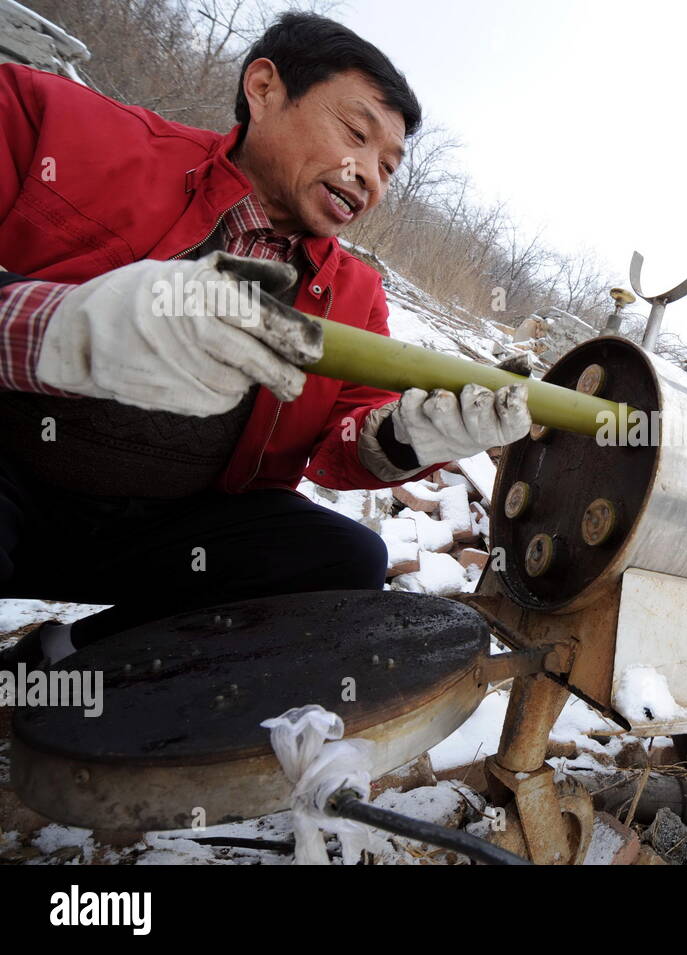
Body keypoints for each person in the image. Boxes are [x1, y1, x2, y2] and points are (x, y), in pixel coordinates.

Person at [0, 12, 530, 670]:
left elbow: (337, 452)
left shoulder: (356, 296)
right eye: (355, 133)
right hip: (16, 479)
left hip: (170, 534)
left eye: (389, 167)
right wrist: (66, 330)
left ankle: (67, 661)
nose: (369, 174)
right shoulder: (57, 128)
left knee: (344, 560)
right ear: (263, 88)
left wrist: (402, 438)